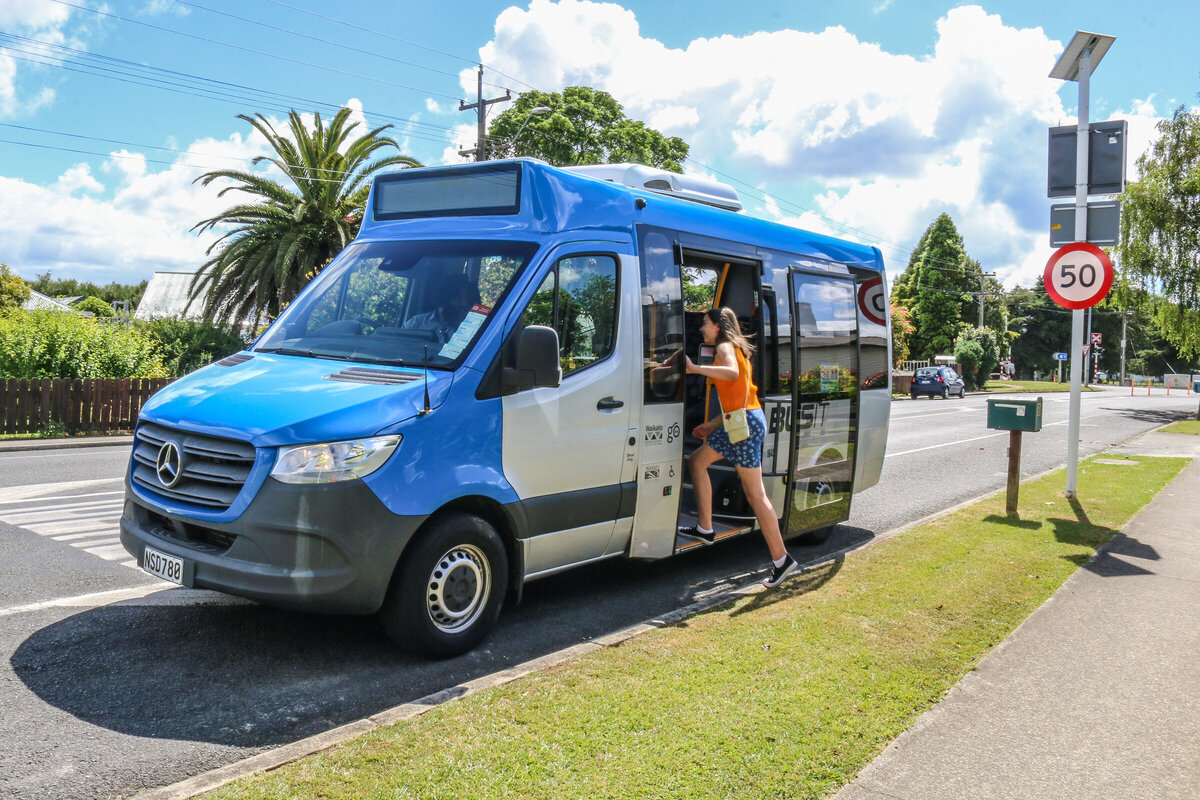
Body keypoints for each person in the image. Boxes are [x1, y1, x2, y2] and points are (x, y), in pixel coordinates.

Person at [678, 307, 800, 588]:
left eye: (705, 324)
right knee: (697, 461)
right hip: (742, 420)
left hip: (742, 426)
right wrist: (712, 424)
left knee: (756, 496)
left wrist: (695, 368)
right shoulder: (737, 347)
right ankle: (706, 528)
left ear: (718, 326)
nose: (701, 329)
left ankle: (782, 560)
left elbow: (731, 375)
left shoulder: (723, 347)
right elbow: (739, 396)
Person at [403, 273, 477, 343]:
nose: (464, 304)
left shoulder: (469, 329)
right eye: (459, 299)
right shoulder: (417, 323)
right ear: (445, 299)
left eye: (466, 299)